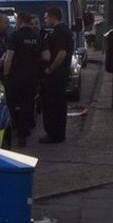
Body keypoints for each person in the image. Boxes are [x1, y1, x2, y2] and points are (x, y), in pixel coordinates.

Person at [3, 13, 43, 147]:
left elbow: (9, 57)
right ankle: (22, 134)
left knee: (11, 104)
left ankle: (13, 129)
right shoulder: (36, 37)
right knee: (27, 106)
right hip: (31, 78)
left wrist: (6, 73)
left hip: (15, 77)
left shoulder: (15, 36)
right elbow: (46, 56)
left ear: (20, 21)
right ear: (29, 21)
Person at [40, 7, 73, 143]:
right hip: (62, 74)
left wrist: (51, 69)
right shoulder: (65, 31)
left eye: (47, 17)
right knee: (59, 105)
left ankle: (54, 134)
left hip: (56, 76)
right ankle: (58, 134)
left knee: (53, 106)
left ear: (53, 17)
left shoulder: (59, 32)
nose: (45, 20)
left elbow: (61, 54)